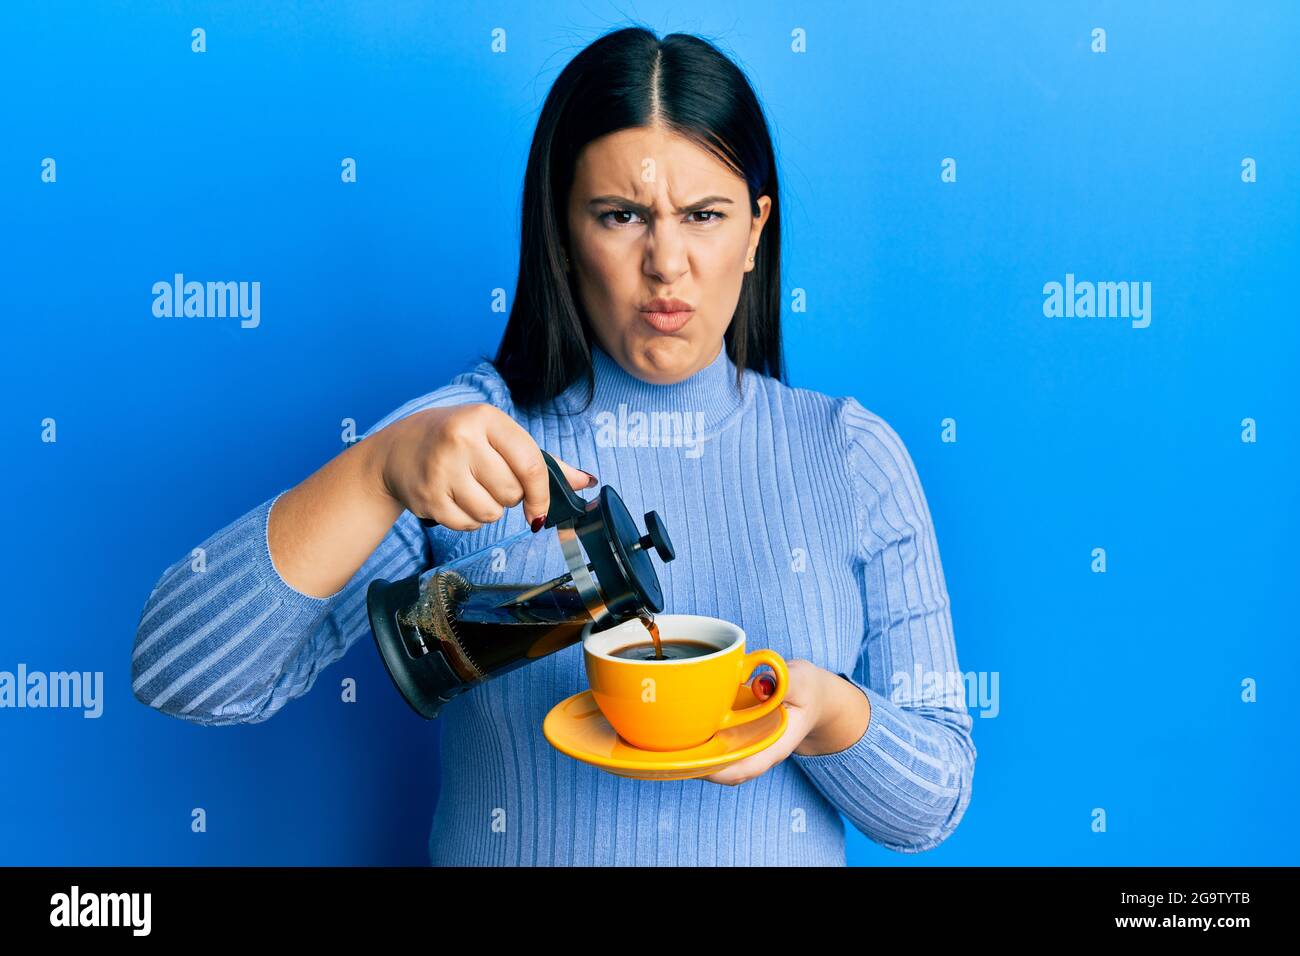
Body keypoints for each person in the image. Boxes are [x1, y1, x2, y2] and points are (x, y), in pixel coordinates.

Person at [131, 26, 976, 866]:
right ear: (563, 235)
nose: (667, 263)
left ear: (756, 231)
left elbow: (932, 806)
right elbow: (183, 679)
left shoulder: (848, 457)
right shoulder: (458, 443)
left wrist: (825, 712)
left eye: (704, 216)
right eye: (621, 216)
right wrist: (372, 471)